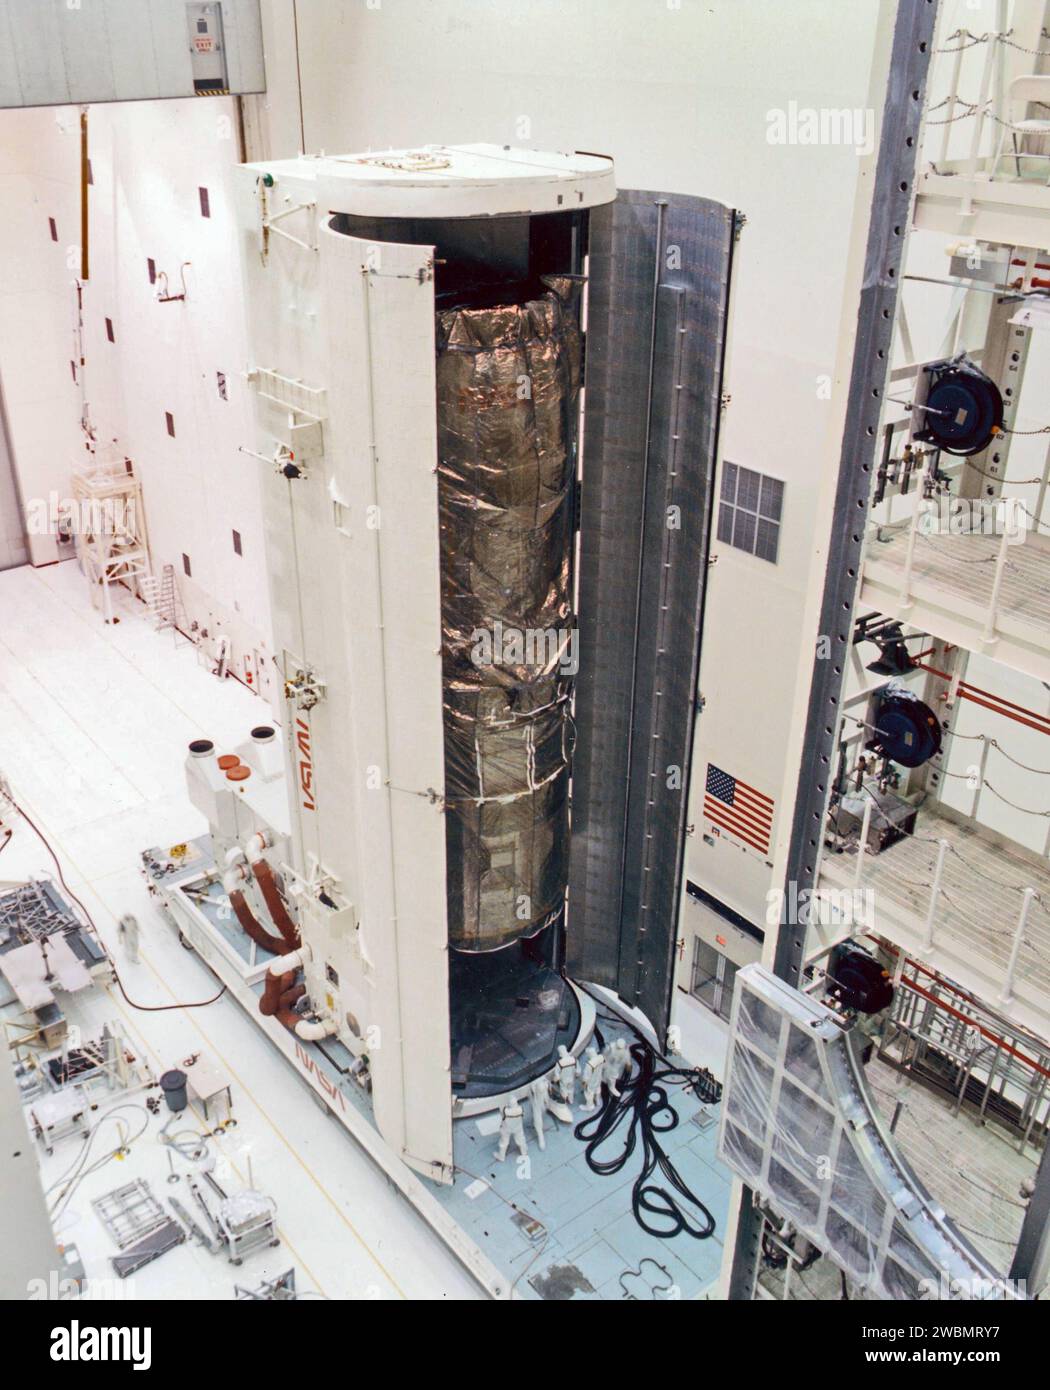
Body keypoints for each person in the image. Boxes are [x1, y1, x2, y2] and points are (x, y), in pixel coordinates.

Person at [494, 1094, 527, 1162]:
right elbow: (522, 1115)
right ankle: (524, 1152)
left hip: (507, 1129)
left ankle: (501, 1156)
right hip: (517, 1128)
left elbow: (502, 1115)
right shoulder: (520, 1109)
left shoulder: (505, 1111)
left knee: (504, 1142)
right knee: (521, 1139)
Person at [580, 1045, 605, 1112]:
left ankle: (589, 1106)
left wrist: (584, 1083)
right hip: (599, 1077)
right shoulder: (601, 1057)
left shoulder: (589, 1064)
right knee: (598, 1088)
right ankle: (597, 1100)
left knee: (589, 1093)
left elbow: (586, 1076)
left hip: (591, 1081)